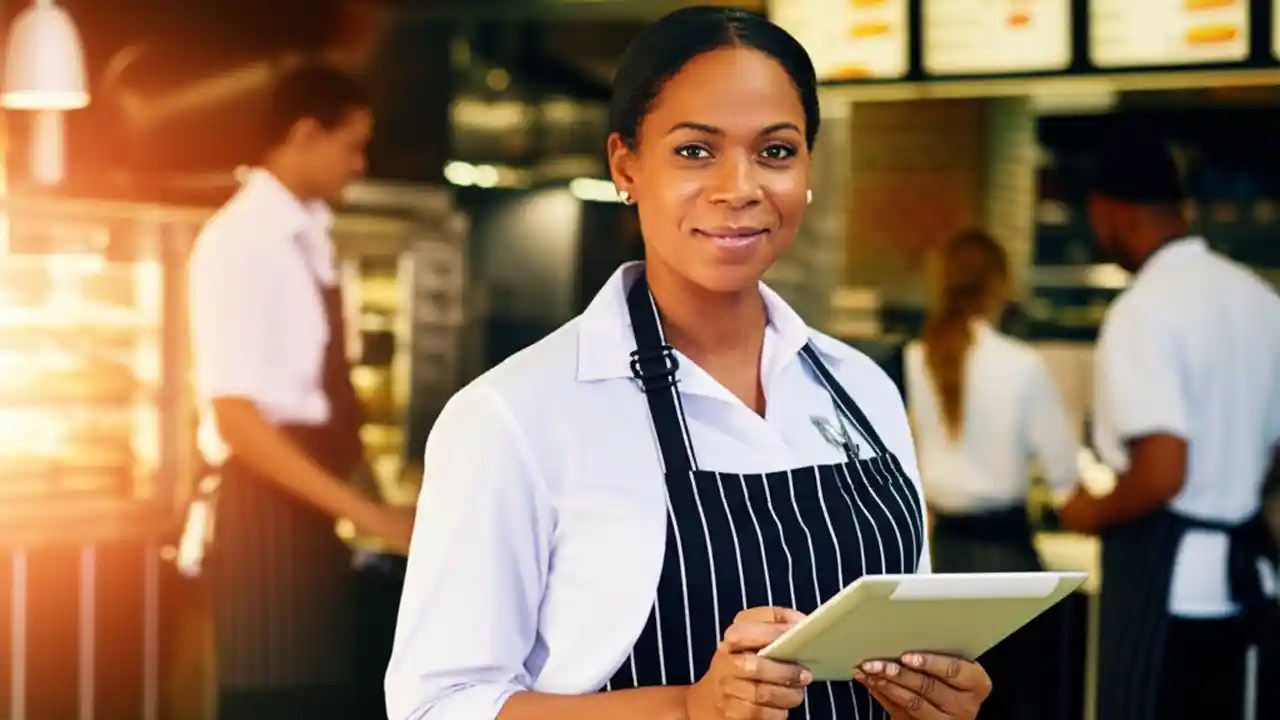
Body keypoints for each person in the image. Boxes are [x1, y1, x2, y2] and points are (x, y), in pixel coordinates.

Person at [386, 7, 992, 720]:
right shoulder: (515, 416)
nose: (739, 187)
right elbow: (438, 705)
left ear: (808, 169)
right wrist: (689, 708)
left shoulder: (862, 390)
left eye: (775, 151)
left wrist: (934, 700)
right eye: (695, 151)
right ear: (626, 166)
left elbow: (903, 646)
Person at [188, 61, 414, 719]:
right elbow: (236, 421)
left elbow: (330, 395)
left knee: (321, 696)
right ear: (305, 134)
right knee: (276, 701)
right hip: (265, 510)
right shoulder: (240, 242)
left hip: (313, 509)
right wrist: (371, 516)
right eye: (351, 145)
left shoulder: (305, 236)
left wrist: (371, 500)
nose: (359, 165)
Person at [1059, 129, 1280, 720]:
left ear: (1113, 212)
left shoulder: (1144, 309)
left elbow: (1161, 472)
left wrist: (1089, 513)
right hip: (1247, 582)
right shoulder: (1260, 299)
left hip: (1168, 586)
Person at [905, 230, 1080, 719]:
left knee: (942, 702)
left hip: (939, 557)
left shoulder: (915, 357)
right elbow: (1064, 473)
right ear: (1001, 284)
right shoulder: (1023, 364)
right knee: (1012, 700)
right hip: (1007, 556)